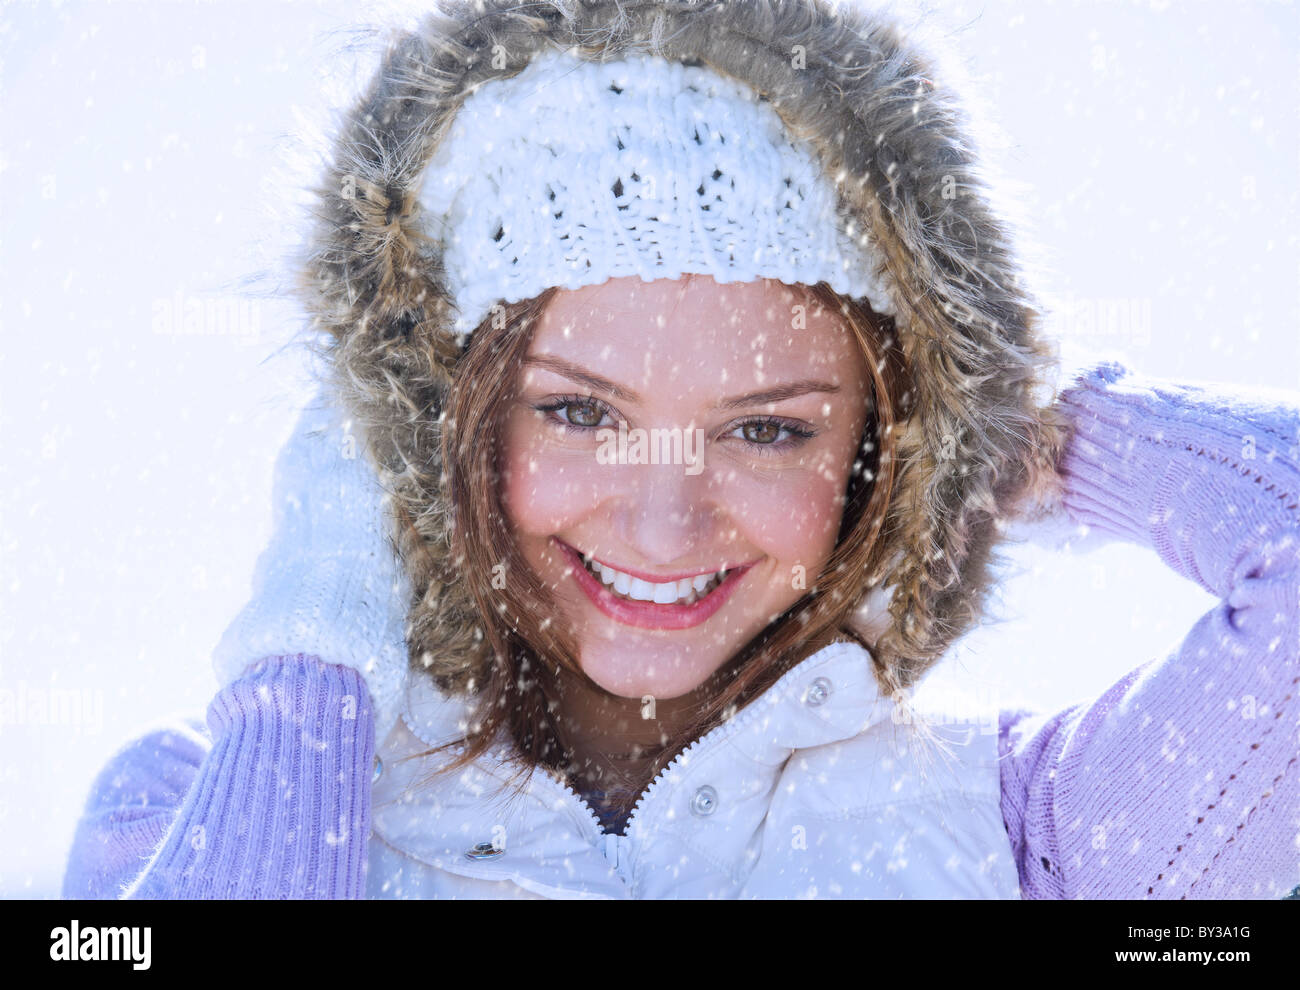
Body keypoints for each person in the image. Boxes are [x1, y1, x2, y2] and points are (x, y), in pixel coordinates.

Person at [62, 0, 1298, 899]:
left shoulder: (1023, 832)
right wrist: (319, 637)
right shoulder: (194, 804)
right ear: (445, 425)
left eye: (766, 430)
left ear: (884, 453)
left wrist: (1015, 429)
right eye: (579, 412)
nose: (663, 527)